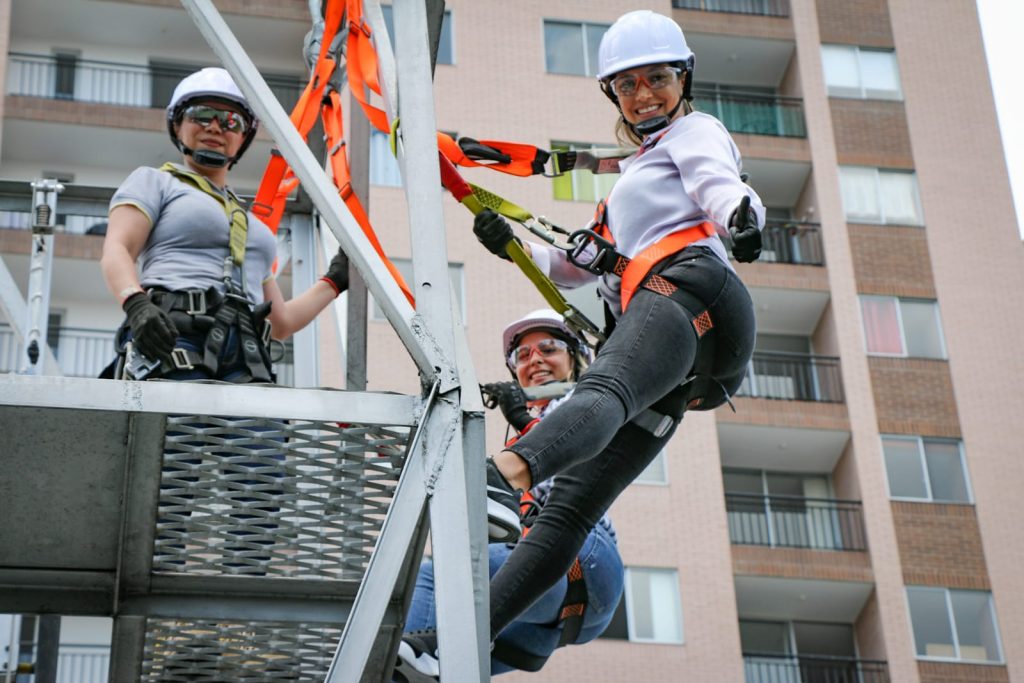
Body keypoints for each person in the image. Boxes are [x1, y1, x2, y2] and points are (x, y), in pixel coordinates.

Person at [397, 9, 764, 676]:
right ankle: (453, 648)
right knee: (567, 512)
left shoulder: (694, 133)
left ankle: (500, 478)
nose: (644, 95)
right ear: (612, 95)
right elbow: (578, 265)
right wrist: (513, 245)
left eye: (658, 79)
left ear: (684, 79)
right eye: (627, 85)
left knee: (604, 388)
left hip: (692, 289)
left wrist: (741, 215)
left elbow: (719, 182)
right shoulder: (630, 181)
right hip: (689, 356)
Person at [394, 310, 624, 682]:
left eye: (548, 348)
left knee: (436, 578)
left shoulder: (584, 402)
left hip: (580, 557)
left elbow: (571, 458)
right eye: (524, 355)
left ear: (575, 359)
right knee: (443, 666)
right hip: (553, 610)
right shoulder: (536, 427)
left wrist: (522, 418)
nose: (535, 360)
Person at [100, 66, 348, 382]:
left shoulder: (249, 225)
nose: (215, 127)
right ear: (177, 125)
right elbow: (118, 248)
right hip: (177, 334)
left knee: (260, 417)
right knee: (181, 413)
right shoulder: (155, 181)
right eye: (201, 115)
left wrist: (333, 281)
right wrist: (136, 304)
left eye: (231, 121)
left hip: (246, 352)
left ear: (243, 138)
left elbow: (281, 322)